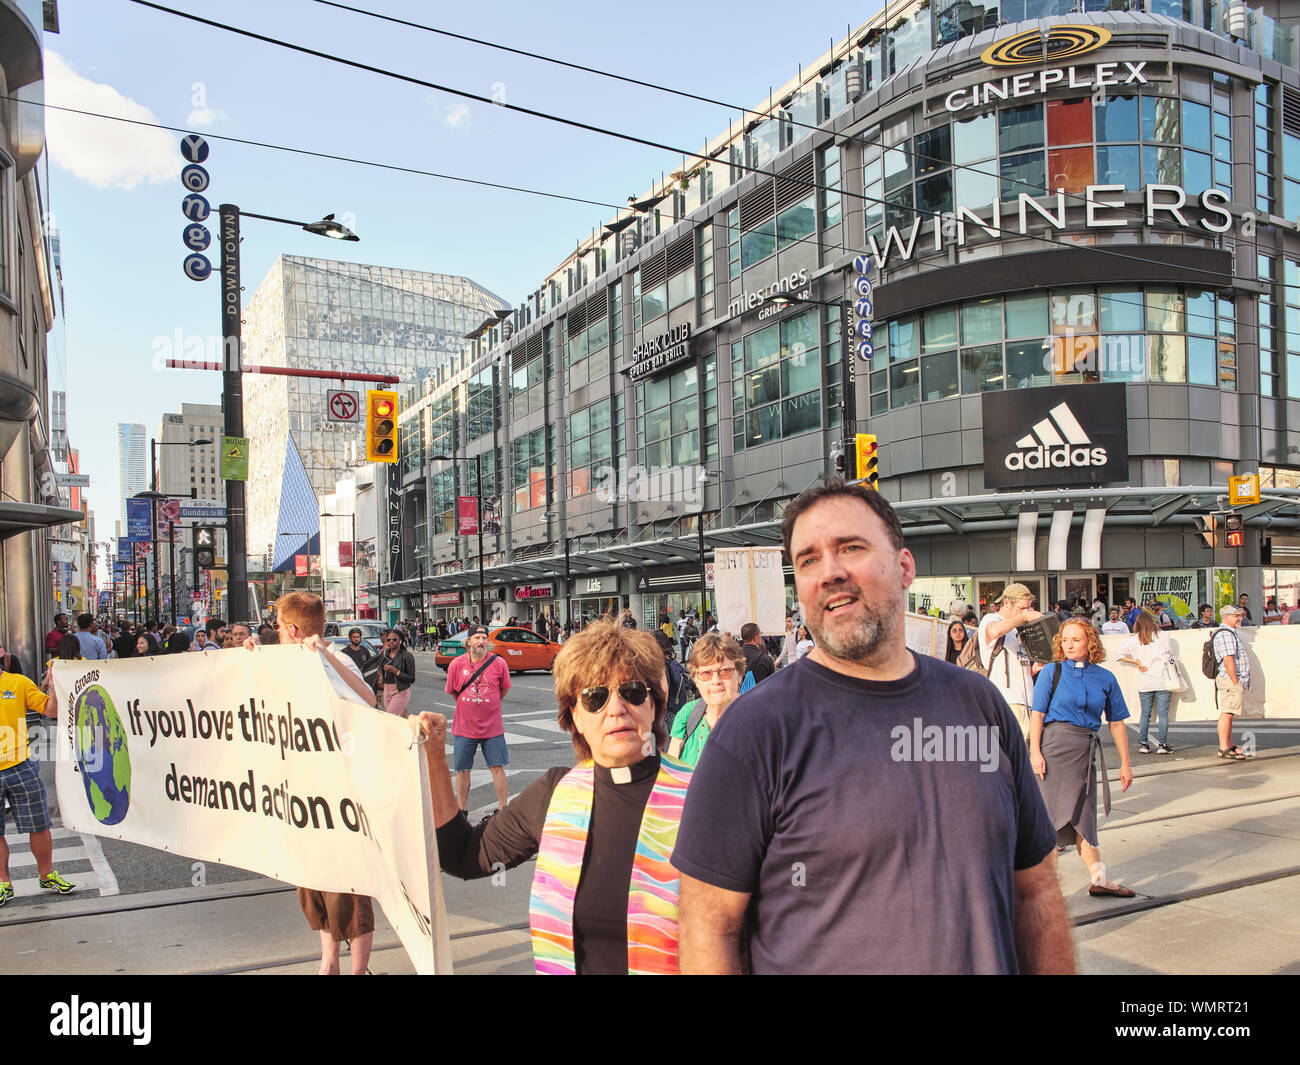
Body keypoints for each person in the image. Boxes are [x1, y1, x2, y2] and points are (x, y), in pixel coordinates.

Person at [671, 479, 1072, 974]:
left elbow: (1036, 891)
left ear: (905, 567)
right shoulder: (752, 730)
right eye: (808, 560)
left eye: (851, 548)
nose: (830, 572)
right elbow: (708, 926)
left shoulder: (979, 704)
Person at [413, 621, 693, 973]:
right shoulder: (555, 794)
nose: (617, 708)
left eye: (633, 691)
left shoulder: (702, 795)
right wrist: (436, 758)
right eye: (595, 697)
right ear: (574, 715)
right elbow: (464, 855)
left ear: (654, 705)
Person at [245, 591, 378, 974]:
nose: (274, 632)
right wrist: (251, 656)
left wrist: (326, 656)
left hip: (340, 788)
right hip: (299, 787)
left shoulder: (335, 657)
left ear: (290, 628)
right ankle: (329, 961)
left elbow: (368, 697)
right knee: (313, 880)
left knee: (349, 885)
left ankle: (356, 970)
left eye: (276, 627)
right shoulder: (282, 660)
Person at [1029, 618, 1134, 898]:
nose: (1069, 645)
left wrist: (1125, 763)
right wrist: (1035, 752)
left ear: (1091, 642)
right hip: (1053, 751)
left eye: (1076, 639)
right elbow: (1037, 715)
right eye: (1065, 640)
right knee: (1049, 820)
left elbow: (1116, 722)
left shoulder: (1105, 678)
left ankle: (1099, 879)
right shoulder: (1051, 672)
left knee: (1085, 821)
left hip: (1085, 753)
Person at [0, 655, 76, 905]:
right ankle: (3, 884)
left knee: (40, 824)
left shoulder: (18, 683)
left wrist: (54, 685)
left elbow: (50, 710)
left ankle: (47, 875)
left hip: (20, 764)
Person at [445, 625, 511, 814]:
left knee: (497, 767)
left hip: (493, 727)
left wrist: (490, 703)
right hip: (464, 727)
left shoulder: (499, 663)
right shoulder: (456, 665)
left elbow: (504, 688)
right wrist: (469, 706)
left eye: (484, 638)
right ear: (468, 642)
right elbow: (452, 691)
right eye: (477, 638)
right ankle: (462, 809)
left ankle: (503, 808)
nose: (481, 642)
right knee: (462, 770)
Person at [667, 632, 745, 767]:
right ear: (696, 680)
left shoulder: (758, 720)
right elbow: (673, 777)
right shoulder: (687, 713)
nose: (716, 680)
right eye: (706, 673)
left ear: (739, 675)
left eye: (725, 671)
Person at [976, 584, 1042, 736]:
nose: (1025, 612)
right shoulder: (992, 618)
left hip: (1027, 701)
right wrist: (1023, 617)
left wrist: (1033, 670)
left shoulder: (1017, 628)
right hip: (1006, 700)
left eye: (1028, 608)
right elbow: (994, 631)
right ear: (1007, 603)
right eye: (1021, 608)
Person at [1116, 613, 1176, 754]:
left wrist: (1136, 662)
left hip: (1145, 680)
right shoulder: (1163, 636)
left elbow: (1118, 655)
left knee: (1145, 714)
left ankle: (1144, 743)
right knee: (1163, 714)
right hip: (1163, 679)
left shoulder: (1134, 639)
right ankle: (1162, 744)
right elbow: (1170, 652)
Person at [1211, 605, 1251, 759]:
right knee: (1227, 713)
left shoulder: (1228, 632)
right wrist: (1236, 682)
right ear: (1226, 617)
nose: (1239, 618)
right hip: (1230, 680)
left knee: (1229, 713)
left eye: (1239, 616)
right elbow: (1228, 660)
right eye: (1236, 616)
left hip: (1229, 679)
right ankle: (1224, 747)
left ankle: (1228, 744)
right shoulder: (1226, 634)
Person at [655, 631, 696, 723]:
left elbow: (663, 695)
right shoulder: (675, 664)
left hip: (666, 715)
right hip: (678, 712)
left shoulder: (662, 668)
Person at [377, 630, 416, 717]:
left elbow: (411, 679)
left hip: (400, 690)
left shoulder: (407, 656)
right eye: (389, 640)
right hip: (386, 689)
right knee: (396, 719)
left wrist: (395, 671)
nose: (391, 641)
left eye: (394, 639)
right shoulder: (385, 654)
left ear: (400, 640)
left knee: (390, 717)